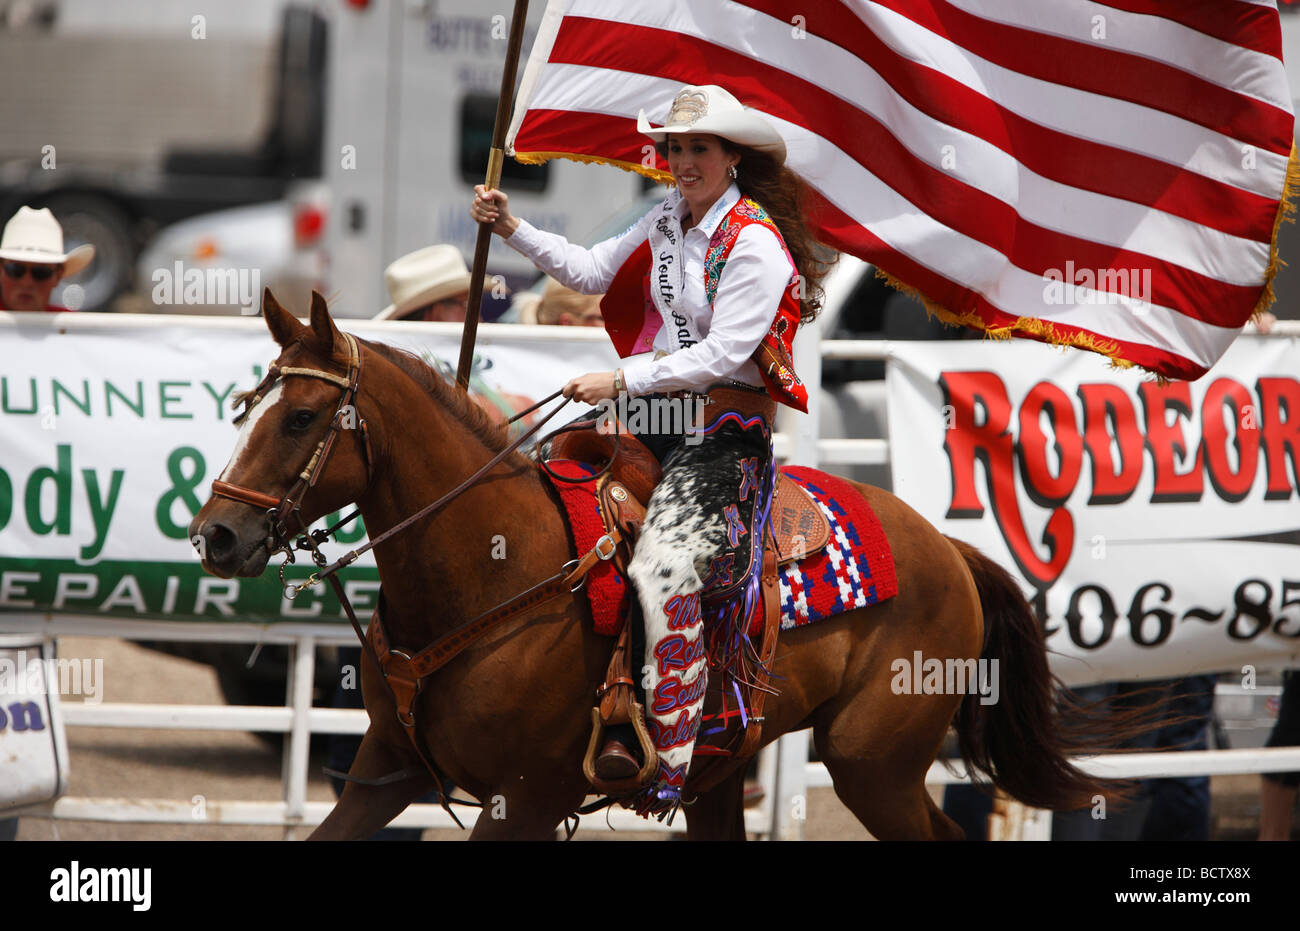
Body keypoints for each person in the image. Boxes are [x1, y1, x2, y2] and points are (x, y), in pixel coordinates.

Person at [471, 83, 830, 817]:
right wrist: (512, 228)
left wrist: (622, 377)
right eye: (675, 148)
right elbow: (589, 271)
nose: (684, 160)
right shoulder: (668, 216)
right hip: (651, 414)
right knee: (551, 509)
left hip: (722, 431)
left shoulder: (754, 242)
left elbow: (726, 351)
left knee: (665, 567)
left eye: (699, 148)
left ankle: (672, 750)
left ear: (733, 157)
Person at [0, 206, 94, 312]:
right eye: (15, 270)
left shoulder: (73, 325)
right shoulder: (73, 324)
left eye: (41, 272)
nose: (26, 282)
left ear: (58, 275)